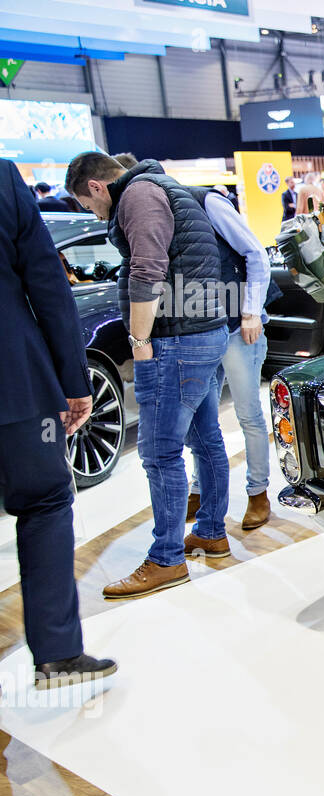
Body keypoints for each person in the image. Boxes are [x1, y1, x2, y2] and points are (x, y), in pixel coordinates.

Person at [65, 152, 231, 599]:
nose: (92, 213)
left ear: (97, 187)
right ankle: (211, 533)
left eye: (87, 205)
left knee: (160, 454)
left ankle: (166, 560)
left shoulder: (138, 195)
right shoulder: (160, 186)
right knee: (206, 438)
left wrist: (139, 343)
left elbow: (148, 270)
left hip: (177, 340)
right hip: (202, 331)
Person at [0, 158, 117, 687]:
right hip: (15, 386)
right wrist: (74, 382)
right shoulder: (3, 179)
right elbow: (48, 284)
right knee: (45, 503)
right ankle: (57, 654)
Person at [183, 181, 278, 533]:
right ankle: (199, 487)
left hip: (239, 326)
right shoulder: (161, 212)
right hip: (202, 327)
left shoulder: (207, 202)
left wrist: (251, 312)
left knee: (247, 413)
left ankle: (258, 492)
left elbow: (256, 253)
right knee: (201, 417)